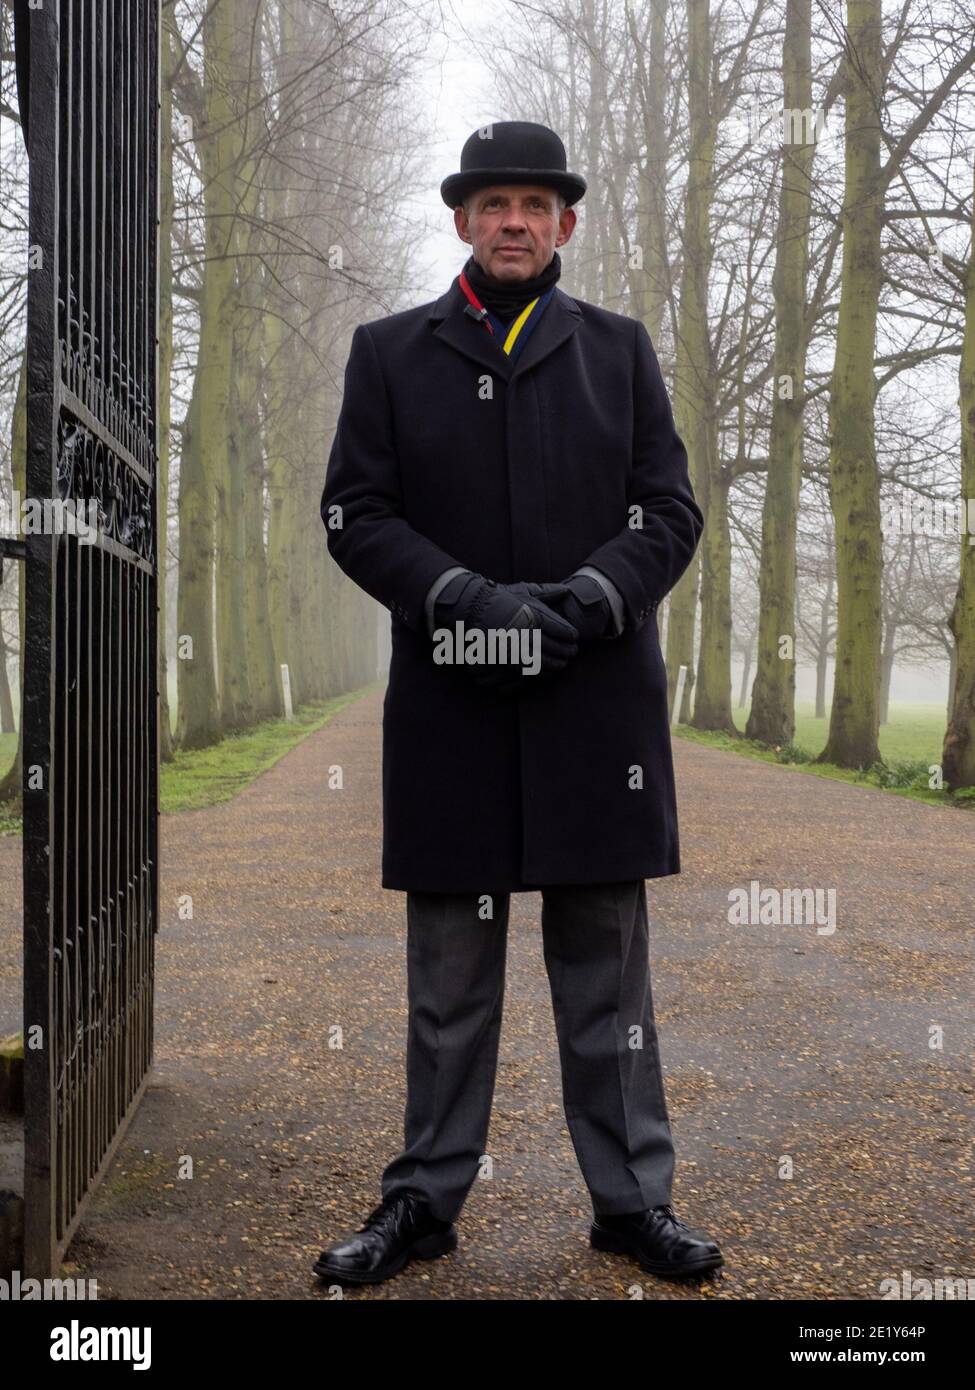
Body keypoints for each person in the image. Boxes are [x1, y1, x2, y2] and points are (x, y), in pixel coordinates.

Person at [314, 120, 722, 1286]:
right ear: (461, 220)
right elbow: (355, 515)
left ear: (565, 225)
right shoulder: (388, 352)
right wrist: (465, 599)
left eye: (533, 205)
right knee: (449, 985)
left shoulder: (621, 349)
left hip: (600, 722)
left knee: (609, 981)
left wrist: (589, 600)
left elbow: (669, 511)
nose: (513, 222)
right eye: (492, 203)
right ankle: (425, 1204)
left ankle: (634, 1203)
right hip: (452, 715)